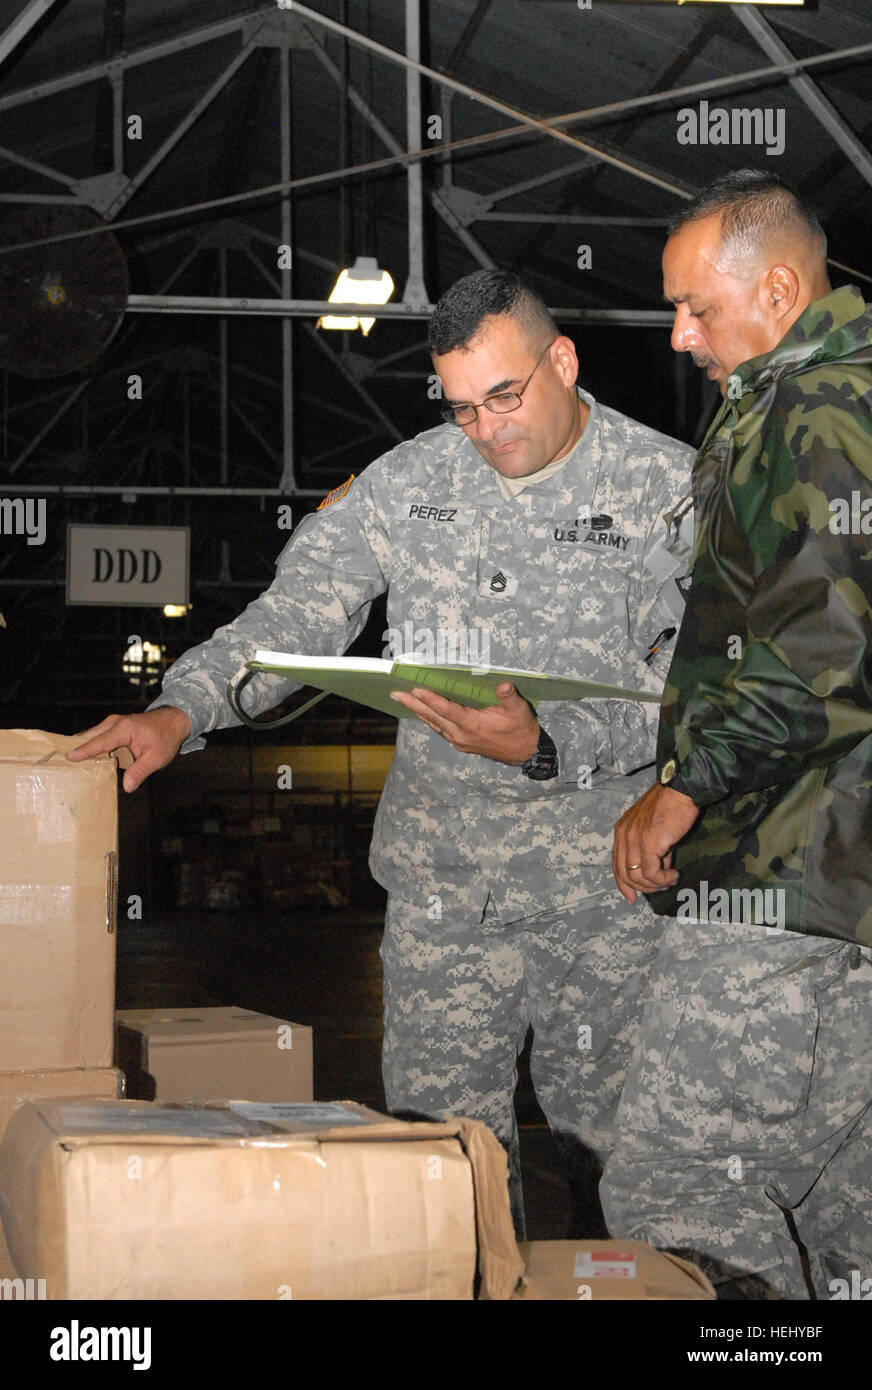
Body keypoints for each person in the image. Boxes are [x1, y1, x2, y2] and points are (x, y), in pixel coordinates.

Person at [70, 270, 693, 1237]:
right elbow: (295, 615)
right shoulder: (409, 484)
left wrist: (550, 743)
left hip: (601, 892)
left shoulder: (671, 492)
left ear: (561, 361)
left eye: (504, 397)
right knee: (442, 1162)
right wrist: (181, 710)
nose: (483, 431)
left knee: (627, 1152)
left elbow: (717, 691)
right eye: (459, 408)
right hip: (443, 891)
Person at [606, 170, 872, 1298]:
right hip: (834, 883)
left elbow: (824, 647)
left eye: (693, 308)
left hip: (787, 861)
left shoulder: (825, 411)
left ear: (775, 286)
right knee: (837, 1210)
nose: (676, 336)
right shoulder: (792, 401)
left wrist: (686, 784)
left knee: (677, 1181)